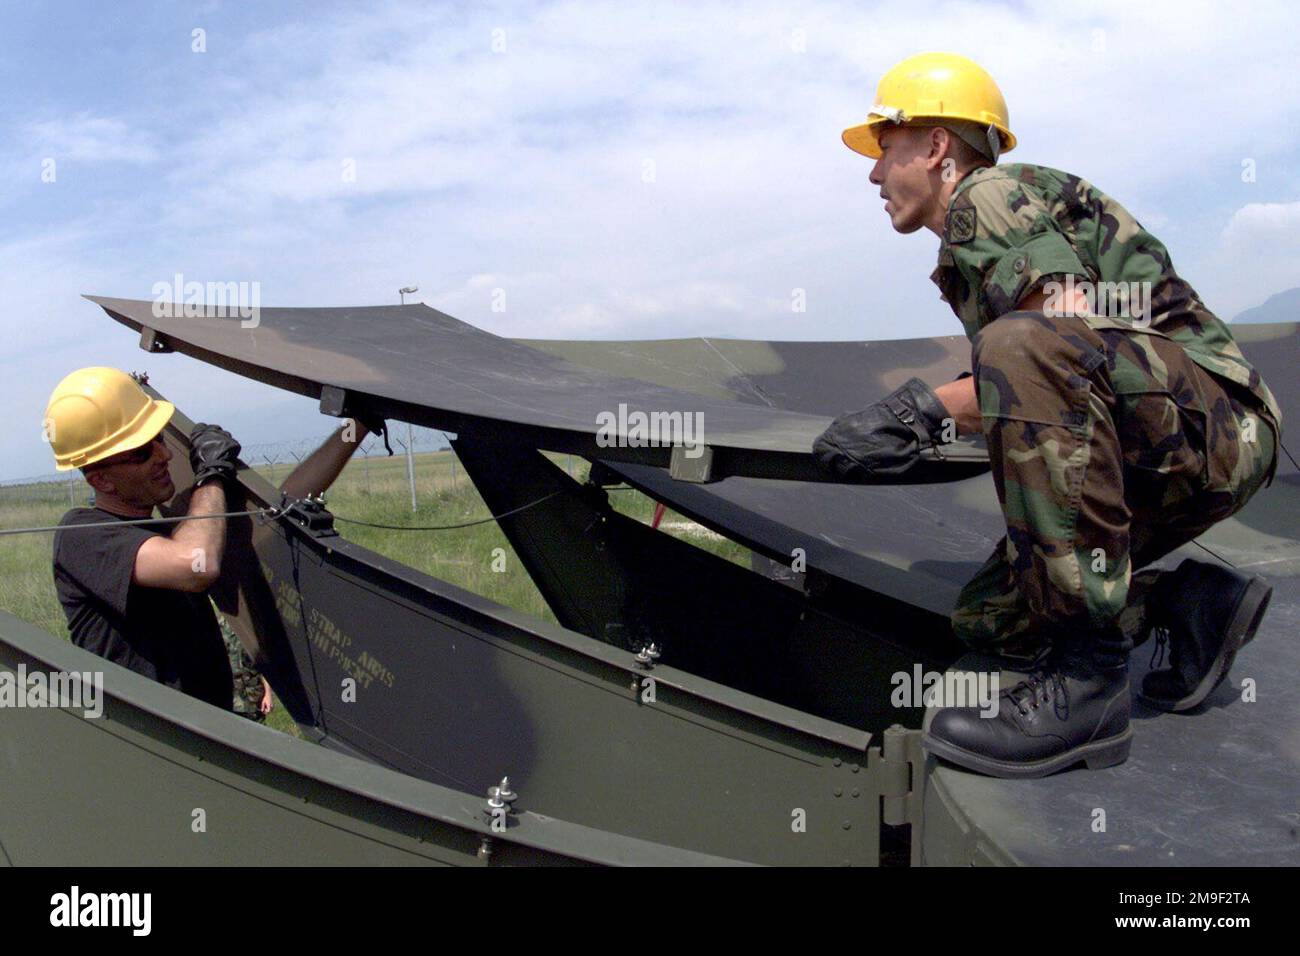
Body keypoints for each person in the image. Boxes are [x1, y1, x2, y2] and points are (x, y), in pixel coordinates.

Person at [814, 53, 1283, 778]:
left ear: (937, 146)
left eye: (886, 147)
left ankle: (1089, 689)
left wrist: (919, 410)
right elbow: (1048, 378)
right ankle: (1185, 603)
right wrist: (935, 415)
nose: (874, 174)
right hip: (1172, 440)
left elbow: (1052, 342)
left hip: (1216, 423)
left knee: (1018, 344)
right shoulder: (975, 239)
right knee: (995, 615)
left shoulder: (987, 196)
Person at [45, 366, 375, 710]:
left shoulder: (178, 525)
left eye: (159, 439)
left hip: (207, 731)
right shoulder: (81, 534)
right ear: (102, 482)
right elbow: (195, 566)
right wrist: (212, 476)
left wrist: (357, 427)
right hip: (150, 747)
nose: (165, 455)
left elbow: (276, 512)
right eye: (143, 453)